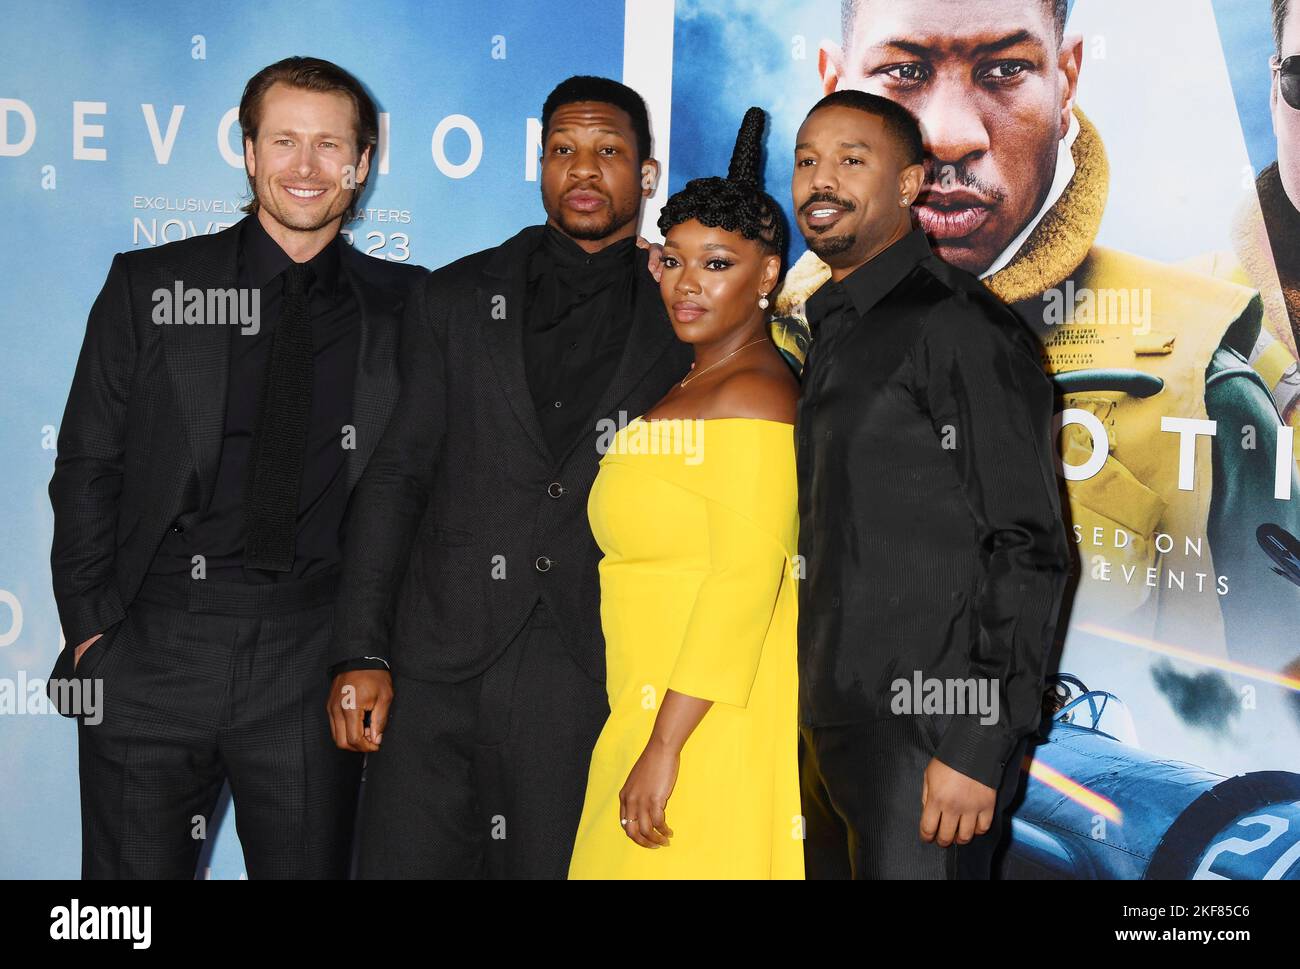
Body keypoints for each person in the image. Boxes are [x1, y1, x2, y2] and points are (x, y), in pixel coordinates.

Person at [776, 0, 1300, 673]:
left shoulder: (1205, 384)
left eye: (1002, 70)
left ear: (1067, 80)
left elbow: (1278, 720)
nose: (948, 133)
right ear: (835, 86)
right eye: (904, 72)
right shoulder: (746, 358)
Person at [46, 56, 425, 878]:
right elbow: (85, 467)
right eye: (284, 141)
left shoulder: (410, 306)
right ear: (248, 152)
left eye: (330, 146)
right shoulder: (150, 285)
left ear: (362, 166)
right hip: (151, 644)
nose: (305, 166)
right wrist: (91, 636)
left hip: (311, 653)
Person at [327, 75, 695, 879]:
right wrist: (362, 648)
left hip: (585, 668)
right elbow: (396, 475)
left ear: (647, 175)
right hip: (434, 663)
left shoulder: (686, 311)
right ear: (539, 166)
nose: (585, 169)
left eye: (609, 151)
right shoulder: (455, 296)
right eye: (564, 150)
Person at [792, 90, 1072, 879]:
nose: (823, 181)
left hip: (929, 738)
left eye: (853, 160)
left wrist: (979, 742)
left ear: (912, 185)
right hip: (830, 726)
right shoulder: (835, 321)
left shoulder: (959, 327)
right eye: (808, 160)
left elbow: (1029, 546)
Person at [568, 108, 802, 879]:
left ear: (767, 275)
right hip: (646, 703)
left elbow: (741, 586)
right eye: (673, 260)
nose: (687, 284)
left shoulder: (758, 396)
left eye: (717, 263)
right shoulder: (695, 378)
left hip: (704, 725)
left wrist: (665, 745)